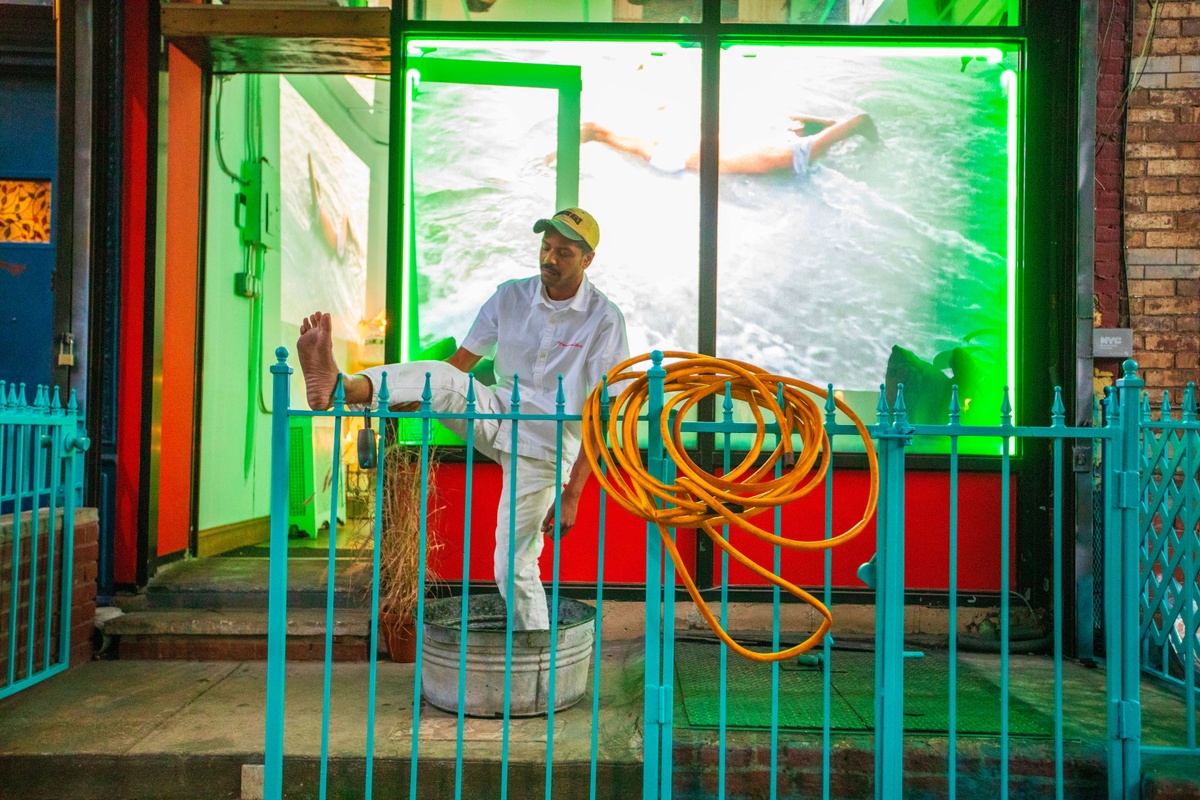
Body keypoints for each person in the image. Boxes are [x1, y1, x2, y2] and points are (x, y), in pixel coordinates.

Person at [297, 208, 629, 631]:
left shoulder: (604, 319)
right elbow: (458, 366)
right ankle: (341, 386)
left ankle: (537, 660)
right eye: (545, 247)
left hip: (544, 448)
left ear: (588, 259)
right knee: (443, 378)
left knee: (513, 565)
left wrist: (574, 492)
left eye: (563, 252)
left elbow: (605, 415)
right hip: (495, 415)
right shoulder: (510, 296)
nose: (549, 258)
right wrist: (416, 395)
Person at [581, 112, 879, 176]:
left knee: (605, 134)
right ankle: (572, 140)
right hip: (679, 156)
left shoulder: (790, 144)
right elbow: (862, 120)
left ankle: (573, 139)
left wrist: (827, 125)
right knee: (602, 134)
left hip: (682, 153)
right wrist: (879, 148)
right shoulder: (800, 150)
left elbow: (795, 119)